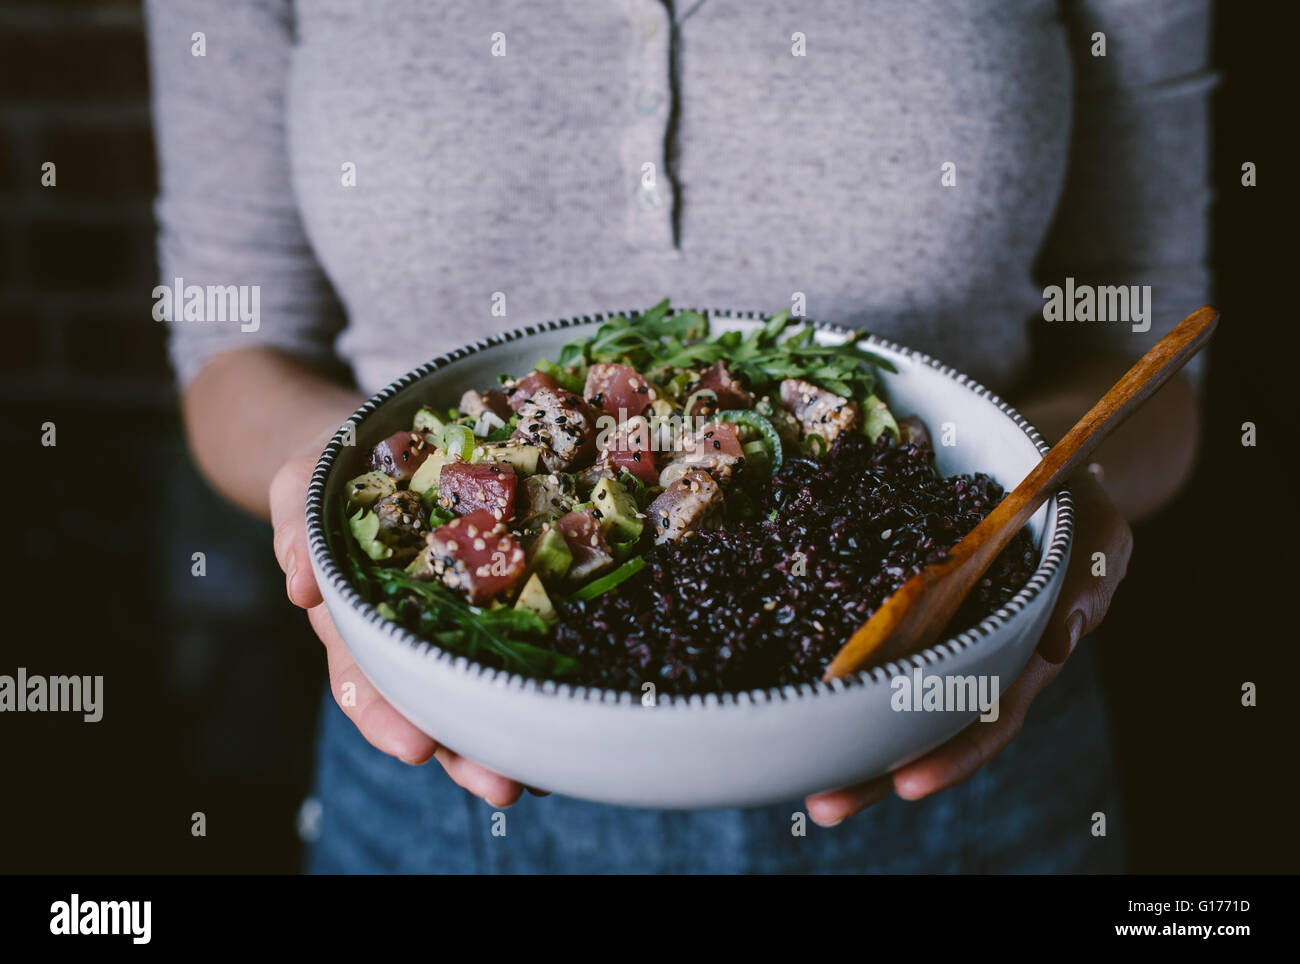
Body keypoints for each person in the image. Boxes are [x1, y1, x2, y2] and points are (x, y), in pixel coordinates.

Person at [145, 0, 1211, 872]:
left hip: (967, 774)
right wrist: (358, 486)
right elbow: (234, 354)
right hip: (444, 785)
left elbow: (1153, 367)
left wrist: (1056, 483)